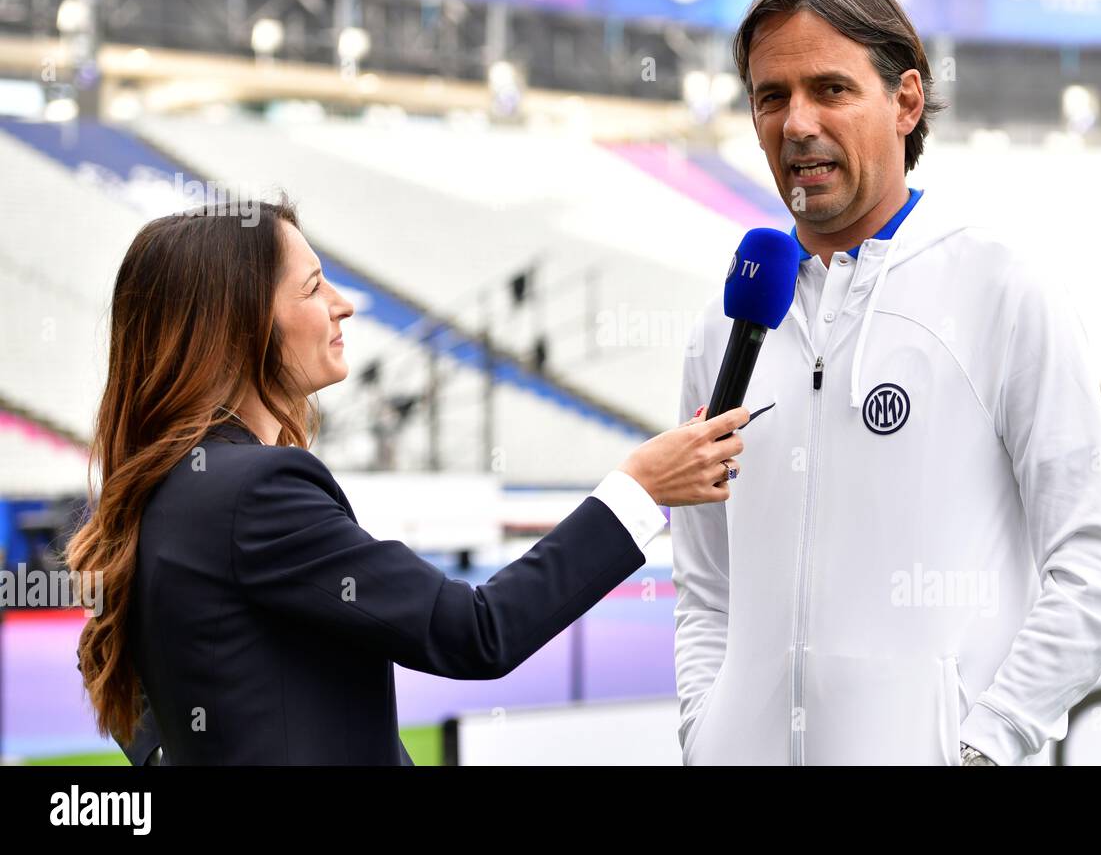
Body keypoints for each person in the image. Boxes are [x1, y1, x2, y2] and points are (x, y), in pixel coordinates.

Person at [66, 200, 748, 765]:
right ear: (238, 324)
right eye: (312, 288)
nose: (344, 305)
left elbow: (154, 718)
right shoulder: (256, 491)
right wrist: (639, 487)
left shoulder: (165, 488)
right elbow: (477, 631)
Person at [671, 0, 1101, 766]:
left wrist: (980, 747)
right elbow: (706, 586)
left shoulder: (1000, 287)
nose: (797, 123)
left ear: (907, 101)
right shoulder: (726, 326)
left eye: (831, 89)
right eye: (771, 96)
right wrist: (705, 735)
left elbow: (1095, 570)